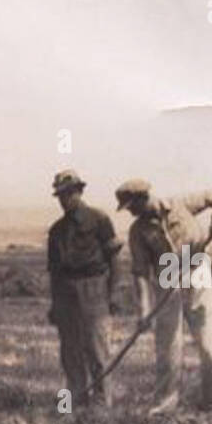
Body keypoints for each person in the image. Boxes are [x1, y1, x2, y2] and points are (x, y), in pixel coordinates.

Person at [116, 179, 212, 413]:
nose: (130, 212)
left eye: (131, 206)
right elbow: (140, 272)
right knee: (168, 346)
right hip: (166, 280)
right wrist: (144, 310)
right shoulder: (138, 231)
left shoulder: (182, 204)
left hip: (197, 272)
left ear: (143, 198)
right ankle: (165, 405)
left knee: (208, 342)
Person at [46, 169, 123, 409]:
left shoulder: (99, 220)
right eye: (60, 195)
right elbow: (55, 272)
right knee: (70, 351)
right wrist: (54, 304)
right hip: (65, 293)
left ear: (79, 191)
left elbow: (114, 260)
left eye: (69, 193)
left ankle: (101, 403)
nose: (64, 199)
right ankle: (77, 399)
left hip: (94, 289)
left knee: (97, 349)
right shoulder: (56, 230)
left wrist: (112, 294)